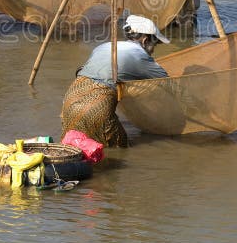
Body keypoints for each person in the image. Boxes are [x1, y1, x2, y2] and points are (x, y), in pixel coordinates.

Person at [61, 15, 170, 147]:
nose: (153, 51)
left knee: (79, 147)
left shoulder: (104, 46)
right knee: (121, 150)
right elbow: (167, 82)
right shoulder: (140, 56)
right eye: (154, 45)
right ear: (145, 40)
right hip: (96, 109)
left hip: (69, 103)